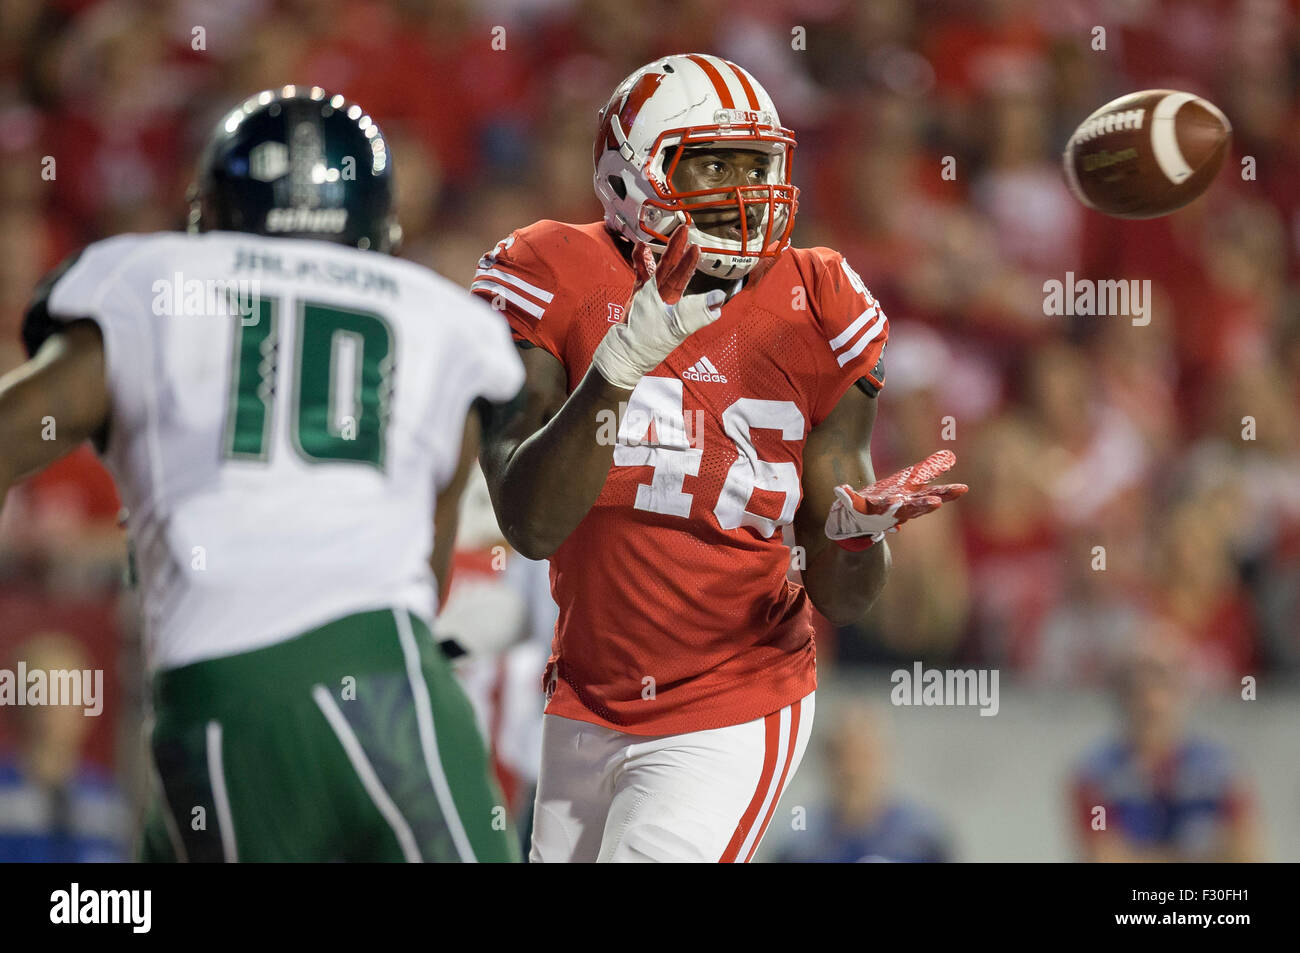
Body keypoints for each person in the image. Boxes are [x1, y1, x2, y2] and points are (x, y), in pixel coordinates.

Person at [0, 87, 523, 862]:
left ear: (209, 208)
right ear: (379, 221)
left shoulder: (153, 281)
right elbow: (426, 569)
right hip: (384, 678)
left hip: (215, 697)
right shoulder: (441, 319)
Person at [474, 53, 968, 863]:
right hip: (587, 693)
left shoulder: (818, 301)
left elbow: (843, 598)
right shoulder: (551, 268)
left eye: (757, 163)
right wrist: (615, 371)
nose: (745, 190)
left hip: (732, 696)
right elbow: (529, 521)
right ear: (631, 171)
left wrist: (854, 534)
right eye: (712, 162)